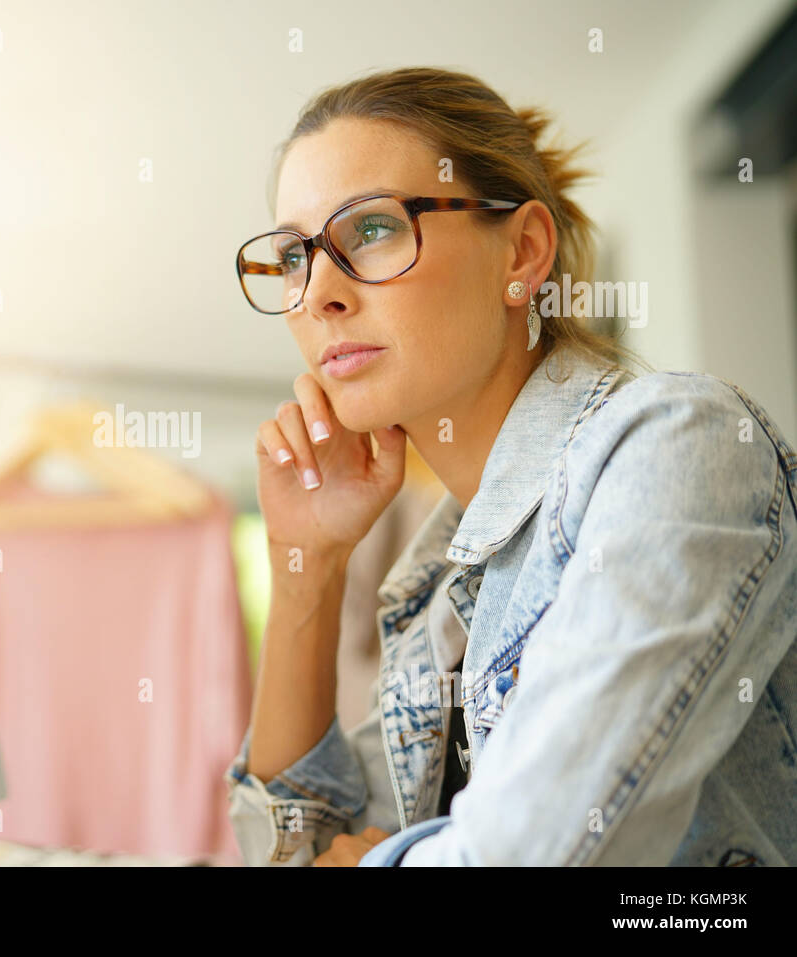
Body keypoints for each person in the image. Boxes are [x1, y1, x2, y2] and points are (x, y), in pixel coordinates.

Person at [225, 66, 797, 867]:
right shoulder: (440, 588)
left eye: (375, 228)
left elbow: (539, 853)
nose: (318, 290)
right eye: (293, 256)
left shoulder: (678, 442)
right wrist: (307, 565)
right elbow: (287, 852)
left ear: (522, 252)